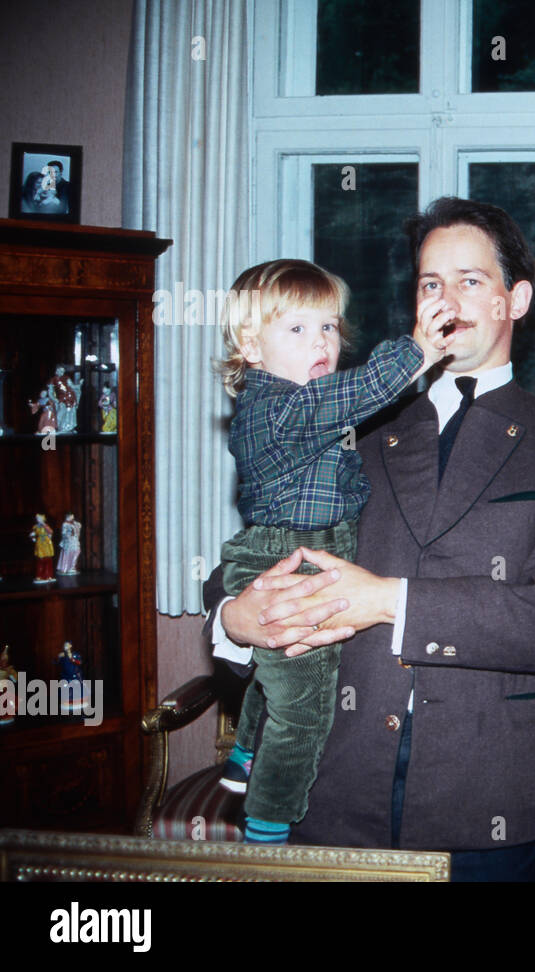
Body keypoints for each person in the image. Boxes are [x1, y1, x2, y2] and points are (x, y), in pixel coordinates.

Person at [211, 197, 535, 881]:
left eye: (469, 280)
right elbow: (261, 543)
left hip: (486, 805)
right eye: (431, 284)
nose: (446, 299)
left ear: (516, 300)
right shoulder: (351, 419)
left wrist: (388, 600)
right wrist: (233, 620)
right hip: (333, 797)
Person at [210, 258, 444, 845]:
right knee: (306, 712)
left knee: (287, 678)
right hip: (291, 556)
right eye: (297, 329)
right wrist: (415, 350)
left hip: (309, 551)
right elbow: (357, 393)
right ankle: (266, 830)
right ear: (250, 345)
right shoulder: (281, 408)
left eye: (329, 327)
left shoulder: (299, 406)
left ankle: (242, 755)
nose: (321, 342)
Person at [30, 514, 55, 583]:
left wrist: (44, 525)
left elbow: (50, 532)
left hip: (46, 544)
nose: (38, 520)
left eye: (39, 518)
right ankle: (39, 576)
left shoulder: (46, 526)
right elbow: (33, 534)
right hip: (40, 544)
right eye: (37, 519)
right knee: (40, 559)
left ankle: (48, 575)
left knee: (48, 559)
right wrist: (33, 538)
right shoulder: (35, 527)